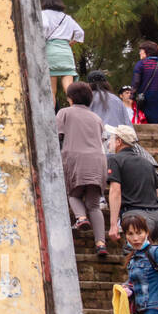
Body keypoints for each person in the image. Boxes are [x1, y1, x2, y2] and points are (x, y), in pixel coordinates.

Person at [55, 81, 108, 256]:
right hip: (98, 160)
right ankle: (101, 244)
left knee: (73, 194)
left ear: (70, 98)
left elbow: (55, 135)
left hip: (75, 158)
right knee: (94, 205)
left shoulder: (65, 113)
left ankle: (81, 218)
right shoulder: (97, 118)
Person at [106, 125, 158, 244]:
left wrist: (113, 225)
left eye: (112, 139)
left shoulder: (115, 160)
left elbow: (115, 191)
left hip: (136, 219)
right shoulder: (147, 162)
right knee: (149, 256)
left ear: (119, 142)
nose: (109, 142)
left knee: (135, 259)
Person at [40, 0, 84, 105]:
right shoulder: (67, 17)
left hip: (50, 52)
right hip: (66, 52)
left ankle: (50, 120)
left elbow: (44, 26)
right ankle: (76, 113)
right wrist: (72, 42)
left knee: (51, 92)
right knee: (70, 90)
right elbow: (80, 32)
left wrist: (42, 39)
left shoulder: (43, 14)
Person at [131, 41, 158, 126]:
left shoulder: (141, 64)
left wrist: (132, 96)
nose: (139, 53)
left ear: (146, 52)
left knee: (149, 124)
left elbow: (136, 82)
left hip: (149, 99)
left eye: (141, 50)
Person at [88, 70, 133, 143]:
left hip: (96, 142)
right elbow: (127, 123)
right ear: (106, 83)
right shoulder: (116, 99)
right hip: (117, 142)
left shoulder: (88, 98)